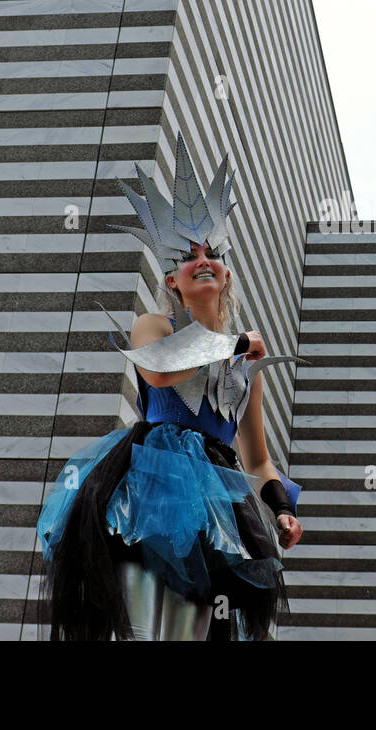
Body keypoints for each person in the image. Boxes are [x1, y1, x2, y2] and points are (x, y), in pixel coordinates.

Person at [37, 132, 303, 641]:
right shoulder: (154, 325)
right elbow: (159, 371)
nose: (202, 259)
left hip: (216, 497)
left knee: (199, 626)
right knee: (142, 623)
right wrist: (235, 343)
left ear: (225, 274)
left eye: (212, 252)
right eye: (187, 254)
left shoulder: (245, 362)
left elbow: (257, 459)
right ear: (172, 280)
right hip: (147, 485)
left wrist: (284, 509)